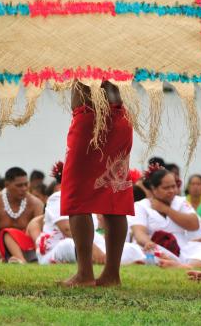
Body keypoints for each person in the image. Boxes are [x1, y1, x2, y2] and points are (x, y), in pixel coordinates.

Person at [59, 80, 135, 287]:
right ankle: (111, 275)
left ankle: (85, 274)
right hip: (119, 118)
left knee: (77, 197)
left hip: (90, 118)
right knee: (113, 195)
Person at [35, 162, 144, 266]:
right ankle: (108, 261)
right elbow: (67, 229)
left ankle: (110, 262)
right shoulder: (58, 196)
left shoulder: (88, 199)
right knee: (69, 245)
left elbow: (94, 232)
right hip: (57, 250)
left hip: (88, 244)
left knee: (132, 249)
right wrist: (93, 248)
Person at [130, 164, 201, 265]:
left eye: (173, 186)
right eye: (166, 188)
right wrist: (148, 243)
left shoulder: (181, 202)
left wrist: (166, 209)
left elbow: (194, 224)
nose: (171, 191)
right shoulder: (141, 206)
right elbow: (139, 232)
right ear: (153, 189)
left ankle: (178, 264)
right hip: (155, 247)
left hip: (182, 249)